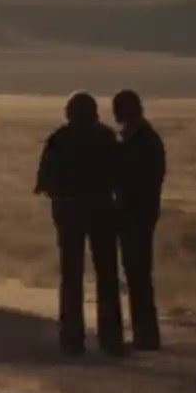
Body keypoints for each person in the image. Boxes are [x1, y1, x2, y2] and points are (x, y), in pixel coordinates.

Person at [35, 91, 126, 357]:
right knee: (107, 274)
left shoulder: (59, 139)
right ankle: (111, 337)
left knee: (71, 275)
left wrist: (60, 198)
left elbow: (44, 181)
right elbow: (121, 177)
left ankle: (72, 337)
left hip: (70, 211)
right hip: (101, 209)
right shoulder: (106, 137)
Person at [112, 89, 166, 351]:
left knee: (138, 273)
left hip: (137, 213)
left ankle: (146, 333)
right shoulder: (141, 138)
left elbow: (137, 178)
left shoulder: (142, 140)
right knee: (136, 273)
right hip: (137, 212)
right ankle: (144, 331)